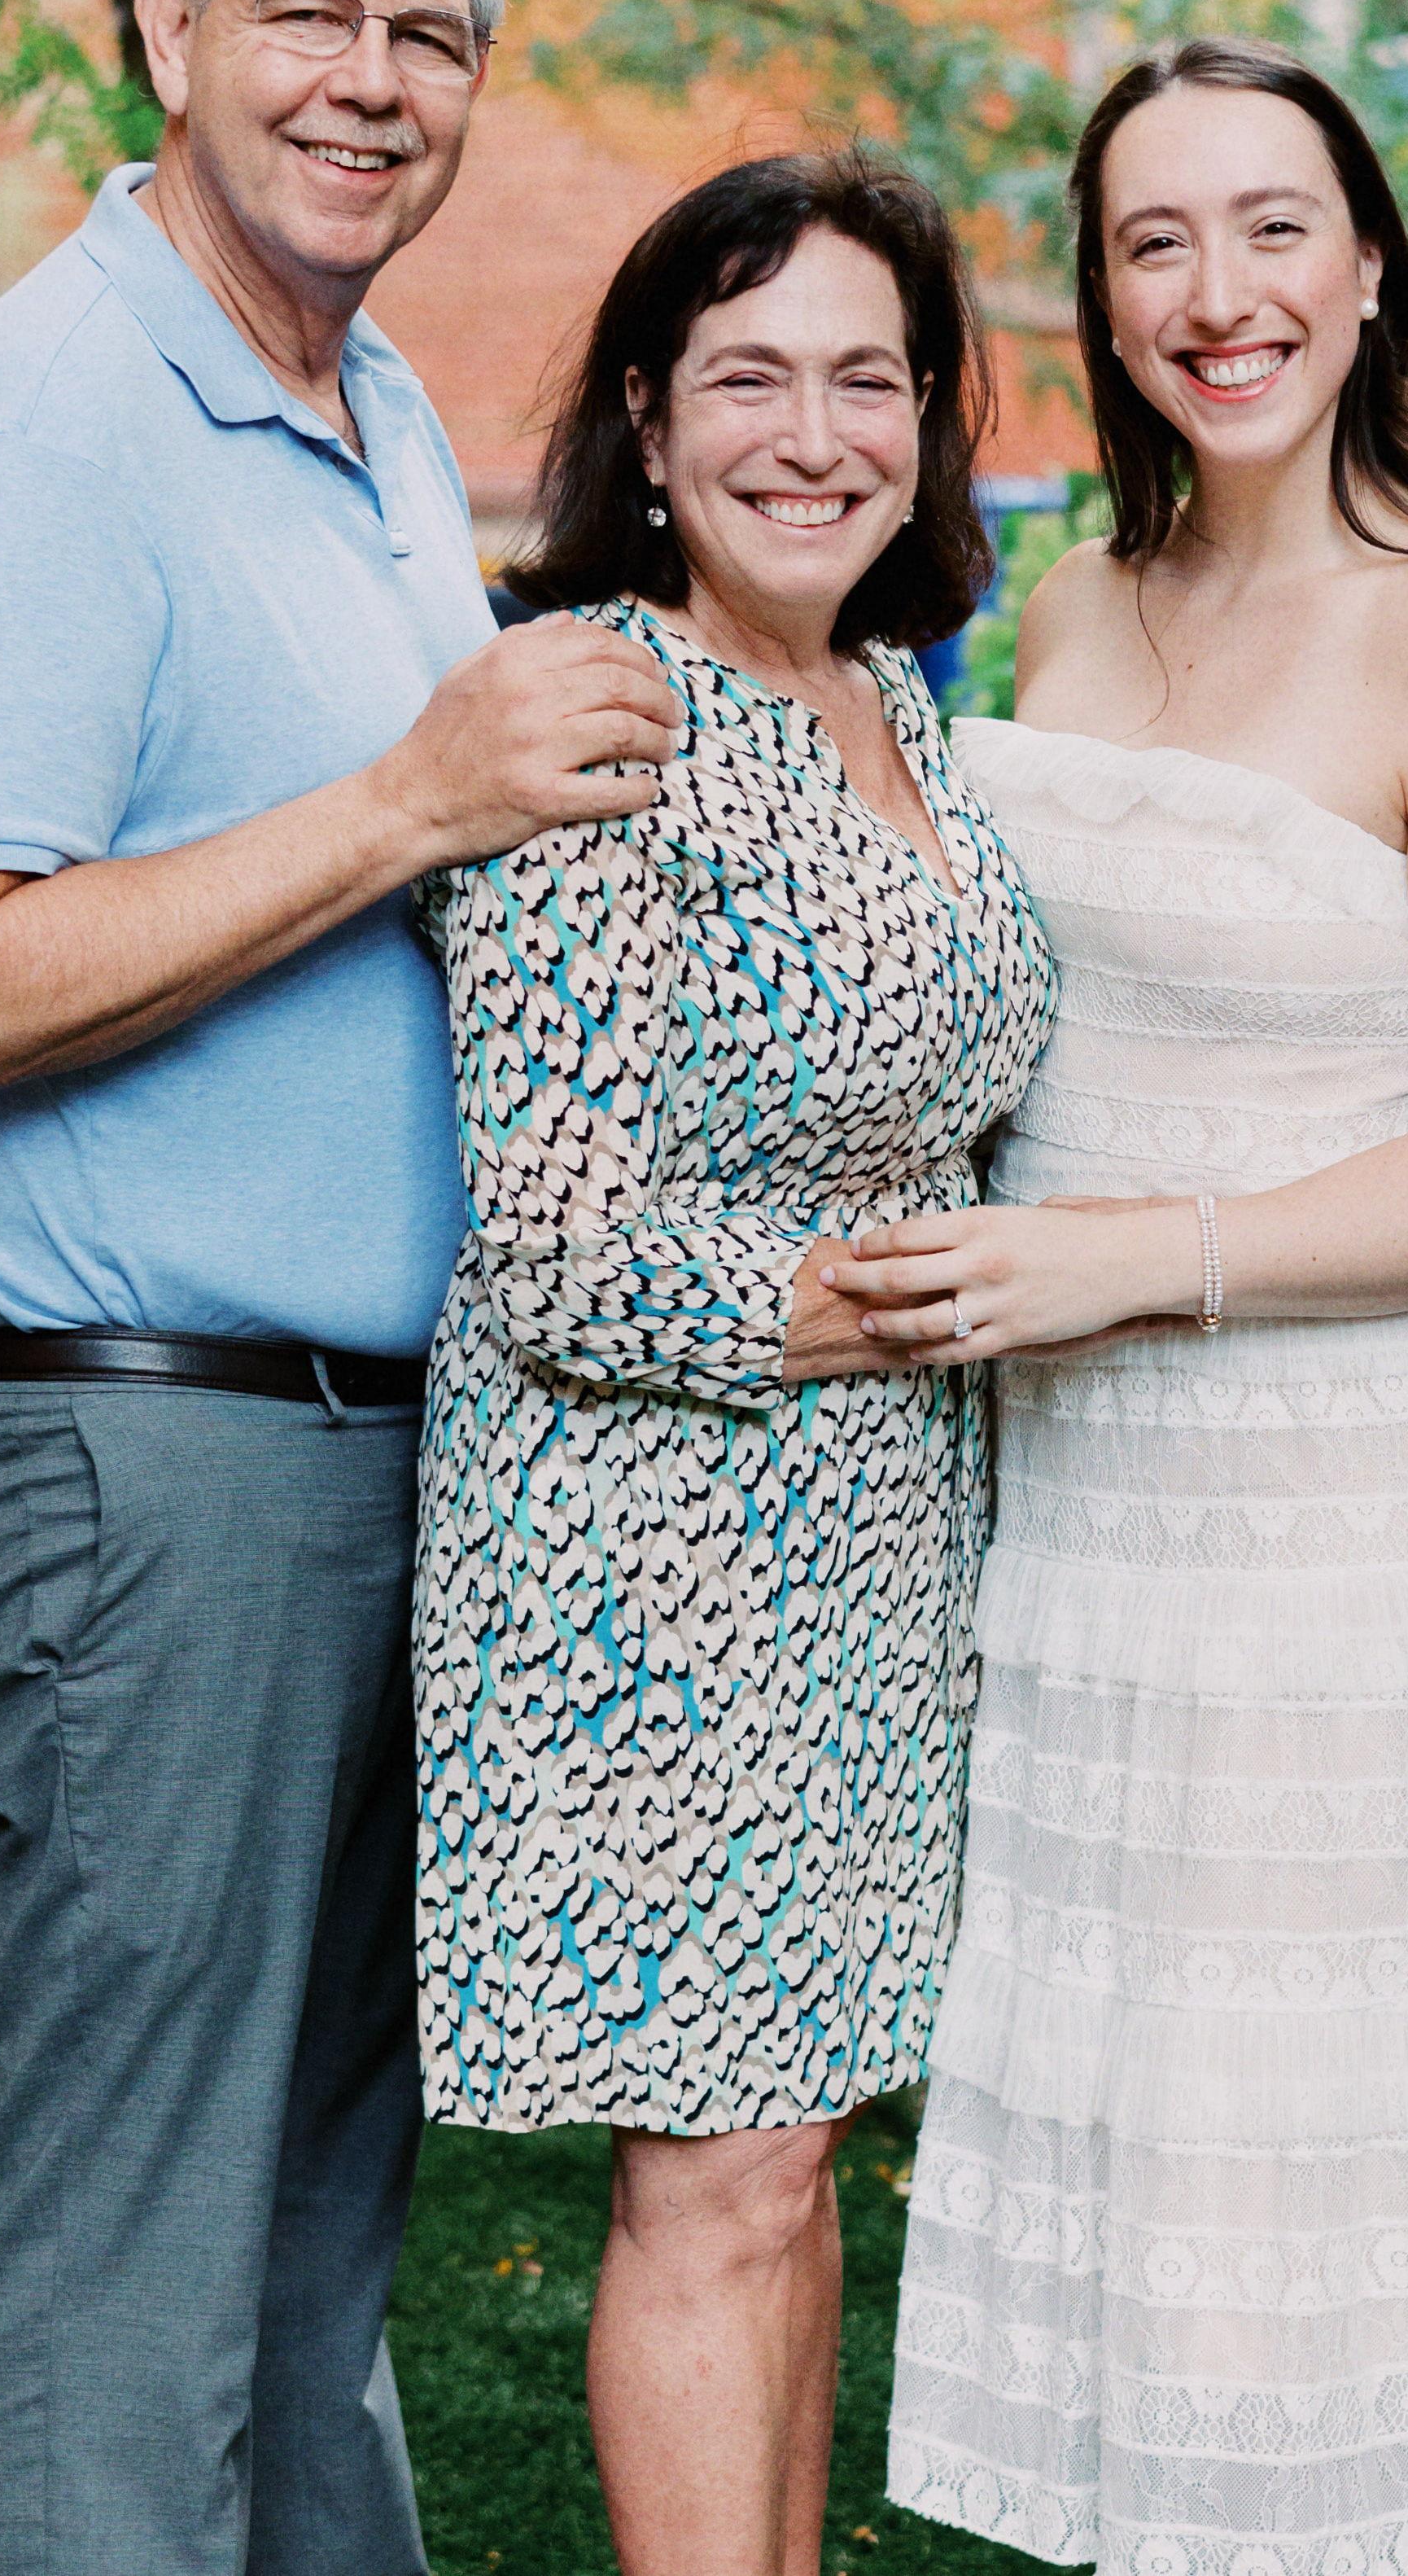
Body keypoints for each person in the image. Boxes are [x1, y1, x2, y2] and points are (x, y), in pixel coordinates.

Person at [0, 0, 681, 2576]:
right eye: (308, 13)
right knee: (138, 2267)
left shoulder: (363, 399)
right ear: (167, 21)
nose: (369, 81)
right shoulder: (41, 427)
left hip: (356, 1452)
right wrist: (410, 797)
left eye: (428, 35)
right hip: (136, 1470)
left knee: (307, 2258)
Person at [842, 39, 1408, 2574]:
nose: (1219, 292)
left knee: (1302, 2195)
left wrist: (1139, 1258)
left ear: (1371, 266)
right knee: (1144, 2192)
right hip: (1089, 1519)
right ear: (1097, 296)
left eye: (1273, 227)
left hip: (1342, 1525)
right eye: (1153, 240)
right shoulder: (1073, 600)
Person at [417, 150, 1056, 2576]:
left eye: (866, 379)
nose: (813, 435)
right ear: (649, 421)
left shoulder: (888, 699)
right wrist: (930, 1294)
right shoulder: (601, 702)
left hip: (872, 1546)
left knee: (792, 2163)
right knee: (714, 2182)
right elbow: (560, 1250)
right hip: (651, 1554)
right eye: (750, 377)